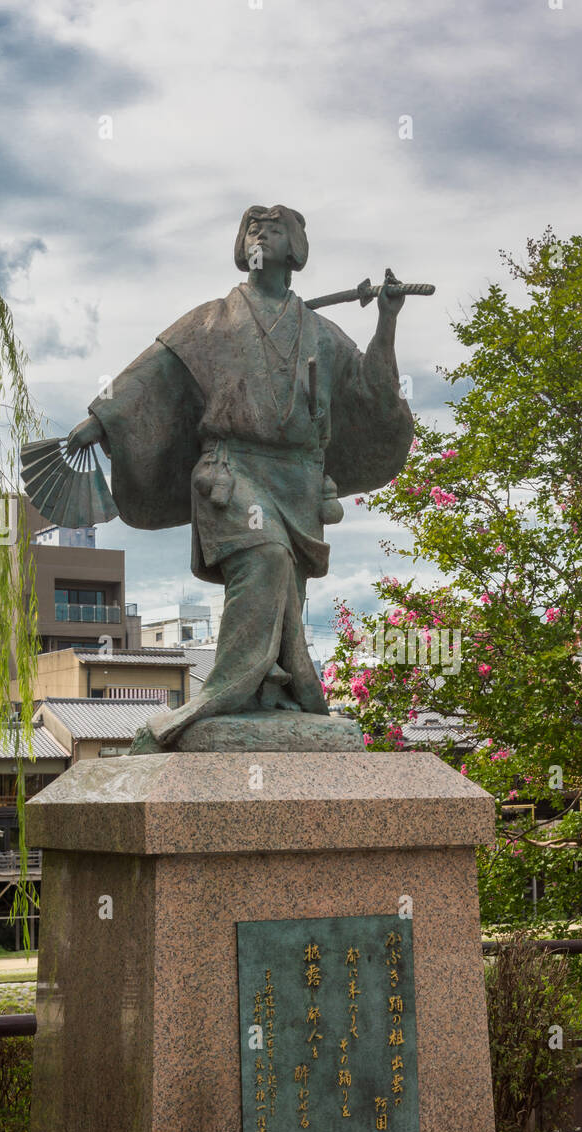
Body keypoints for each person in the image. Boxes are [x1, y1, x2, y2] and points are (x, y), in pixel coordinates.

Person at [66, 204, 413, 749]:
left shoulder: (320, 332)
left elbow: (371, 392)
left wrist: (386, 319)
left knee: (287, 594)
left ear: (294, 249)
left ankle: (274, 690)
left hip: (299, 478)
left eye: (272, 229)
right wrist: (100, 419)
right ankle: (219, 695)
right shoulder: (211, 321)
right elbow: (150, 372)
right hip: (231, 470)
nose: (259, 235)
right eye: (252, 228)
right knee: (267, 557)